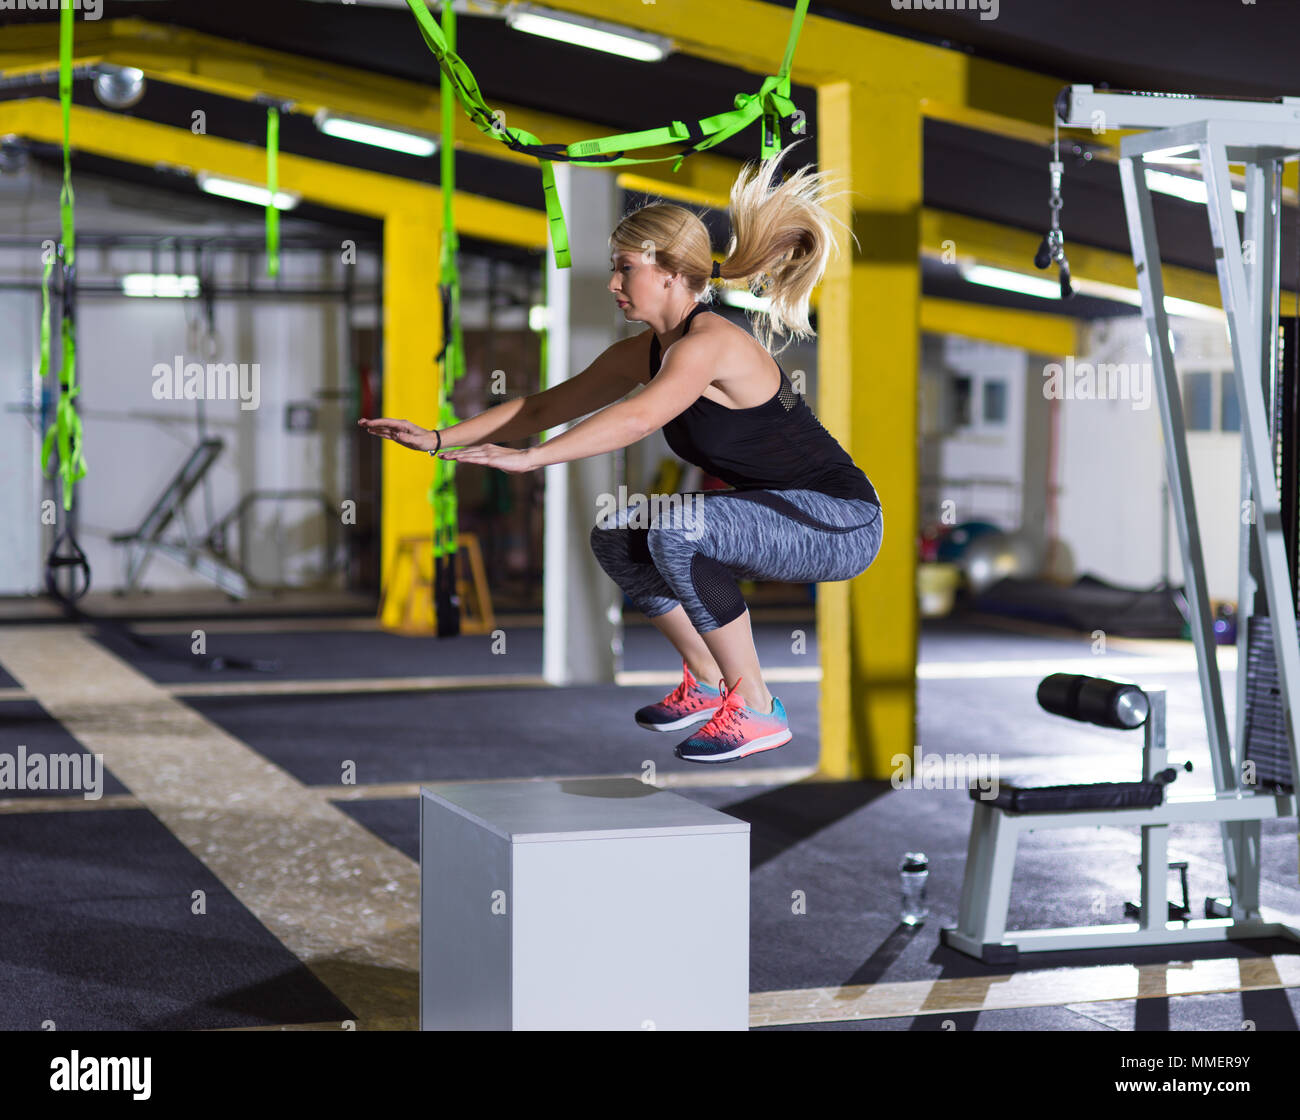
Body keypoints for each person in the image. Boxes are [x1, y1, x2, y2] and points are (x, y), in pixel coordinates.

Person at [359, 141, 883, 764]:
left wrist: (527, 460)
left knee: (677, 530)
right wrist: (442, 435)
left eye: (623, 267)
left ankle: (758, 707)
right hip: (782, 511)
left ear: (668, 272)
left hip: (840, 520)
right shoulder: (650, 349)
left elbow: (636, 418)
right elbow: (542, 406)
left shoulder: (712, 343)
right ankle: (710, 681)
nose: (612, 282)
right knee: (619, 535)